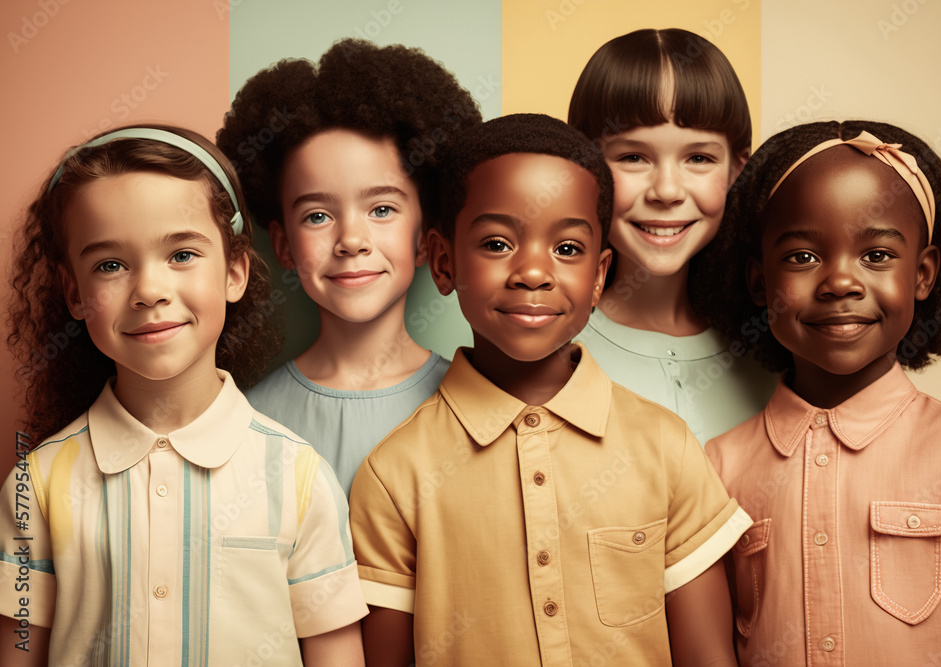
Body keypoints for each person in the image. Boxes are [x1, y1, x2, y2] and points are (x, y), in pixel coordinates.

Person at [350, 113, 752, 666]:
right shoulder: (395, 475)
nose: (533, 272)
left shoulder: (666, 447)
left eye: (567, 249)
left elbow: (709, 657)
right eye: (496, 243)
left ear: (599, 277)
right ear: (443, 262)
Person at [0, 126, 367, 666]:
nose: (150, 290)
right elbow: (21, 650)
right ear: (74, 291)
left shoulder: (298, 476)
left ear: (235, 271)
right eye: (110, 265)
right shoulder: (36, 486)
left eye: (182, 254)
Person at [702, 120, 941, 666]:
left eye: (877, 256)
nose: (841, 281)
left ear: (924, 273)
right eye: (802, 257)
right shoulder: (715, 469)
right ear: (757, 282)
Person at [218, 39, 481, 496]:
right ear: (282, 244)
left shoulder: (478, 405)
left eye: (381, 209)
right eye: (317, 216)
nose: (352, 241)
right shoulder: (247, 422)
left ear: (426, 237)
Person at [568, 28, 776, 445]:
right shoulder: (547, 347)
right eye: (632, 157)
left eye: (698, 158)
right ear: (586, 165)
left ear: (737, 170)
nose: (666, 190)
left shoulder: (779, 350)